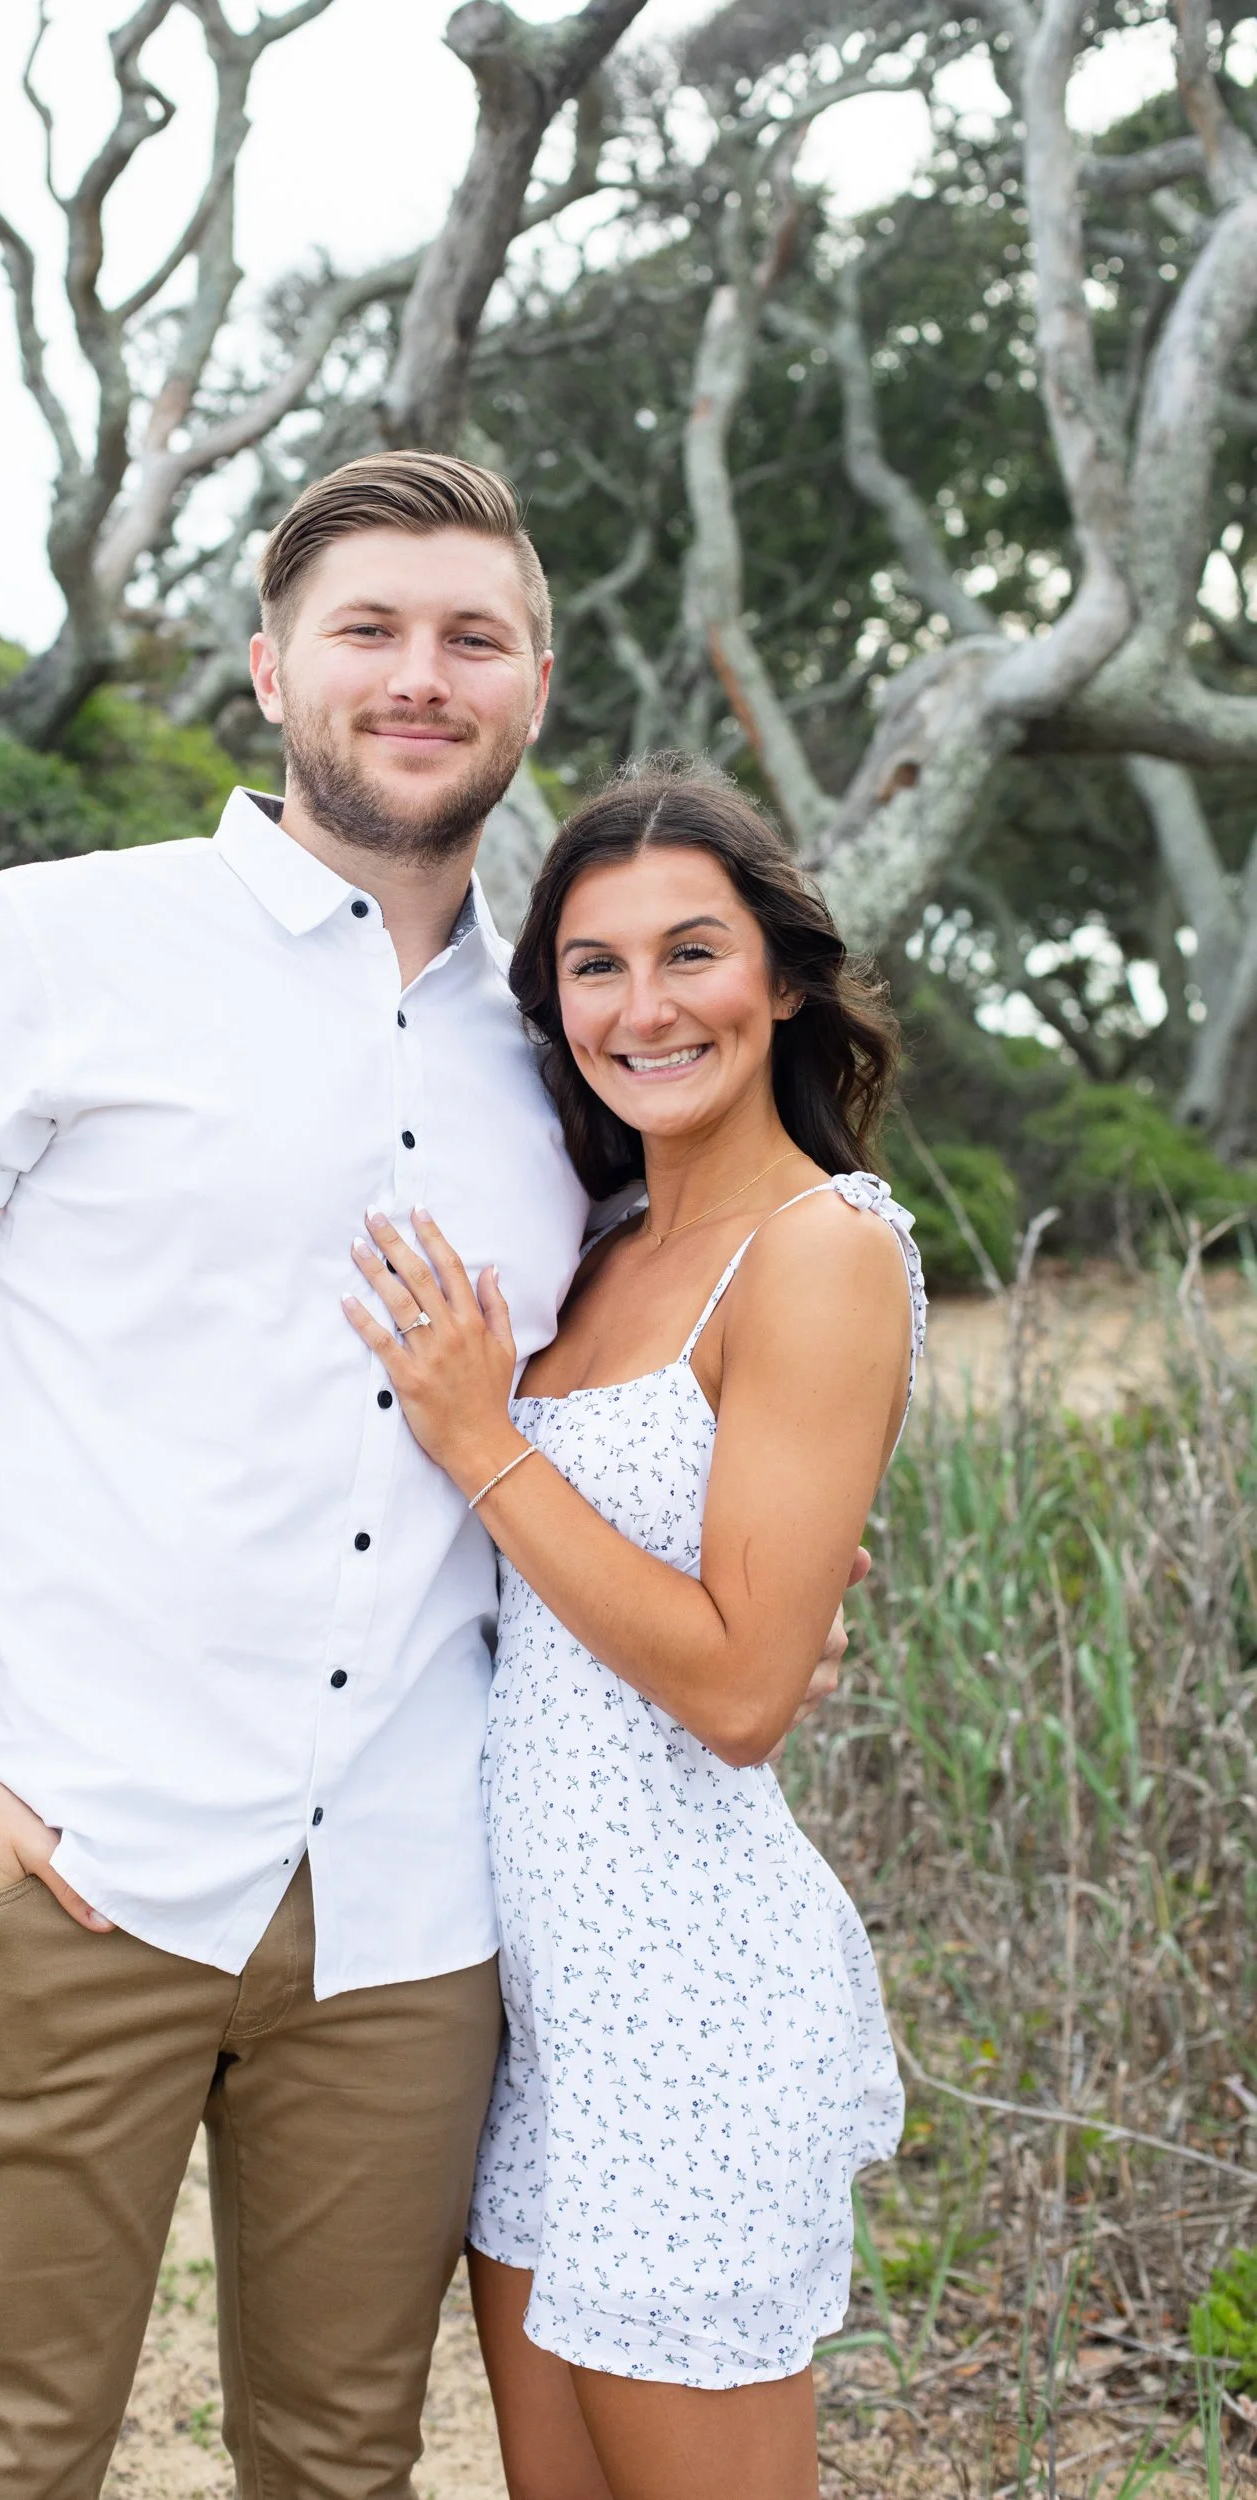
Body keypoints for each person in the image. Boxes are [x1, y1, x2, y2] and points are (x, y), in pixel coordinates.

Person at [0, 452, 850, 2500]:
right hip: (70, 1848)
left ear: (531, 681)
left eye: (470, 635)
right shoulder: (43, 946)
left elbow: (659, 1357)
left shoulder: (567, 1037)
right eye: (368, 628)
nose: (417, 674)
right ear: (268, 665)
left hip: (412, 1905)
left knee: (343, 2458)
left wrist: (774, 1552)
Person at [341, 764, 921, 2500]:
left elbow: (740, 1693)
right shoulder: (600, 1248)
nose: (643, 1006)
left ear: (786, 978)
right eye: (593, 967)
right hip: (548, 2007)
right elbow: (619, 1601)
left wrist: (478, 1438)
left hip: (692, 2002)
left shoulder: (819, 1249)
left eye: (691, 953)